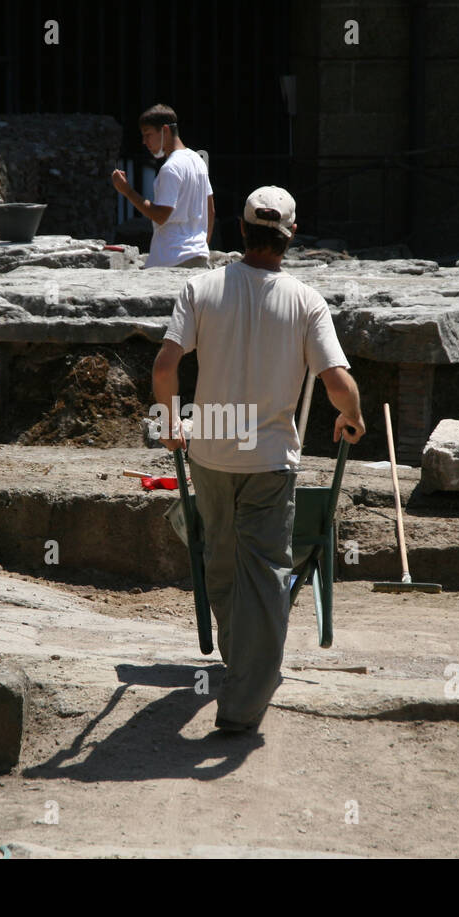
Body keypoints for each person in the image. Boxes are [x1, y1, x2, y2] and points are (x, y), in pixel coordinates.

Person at [152, 186, 365, 733]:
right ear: (290, 236)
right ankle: (245, 701)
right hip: (270, 457)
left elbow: (164, 366)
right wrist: (353, 415)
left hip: (212, 452)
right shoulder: (305, 300)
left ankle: (240, 665)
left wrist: (172, 420)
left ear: (241, 231)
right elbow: (337, 383)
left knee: (219, 560)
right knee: (268, 574)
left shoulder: (200, 288)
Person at [111, 104, 215, 269]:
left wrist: (127, 191)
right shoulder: (198, 160)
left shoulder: (171, 168)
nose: (144, 142)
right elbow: (211, 211)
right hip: (199, 258)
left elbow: (160, 215)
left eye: (148, 134)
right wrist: (201, 247)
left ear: (165, 130)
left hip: (172, 260)